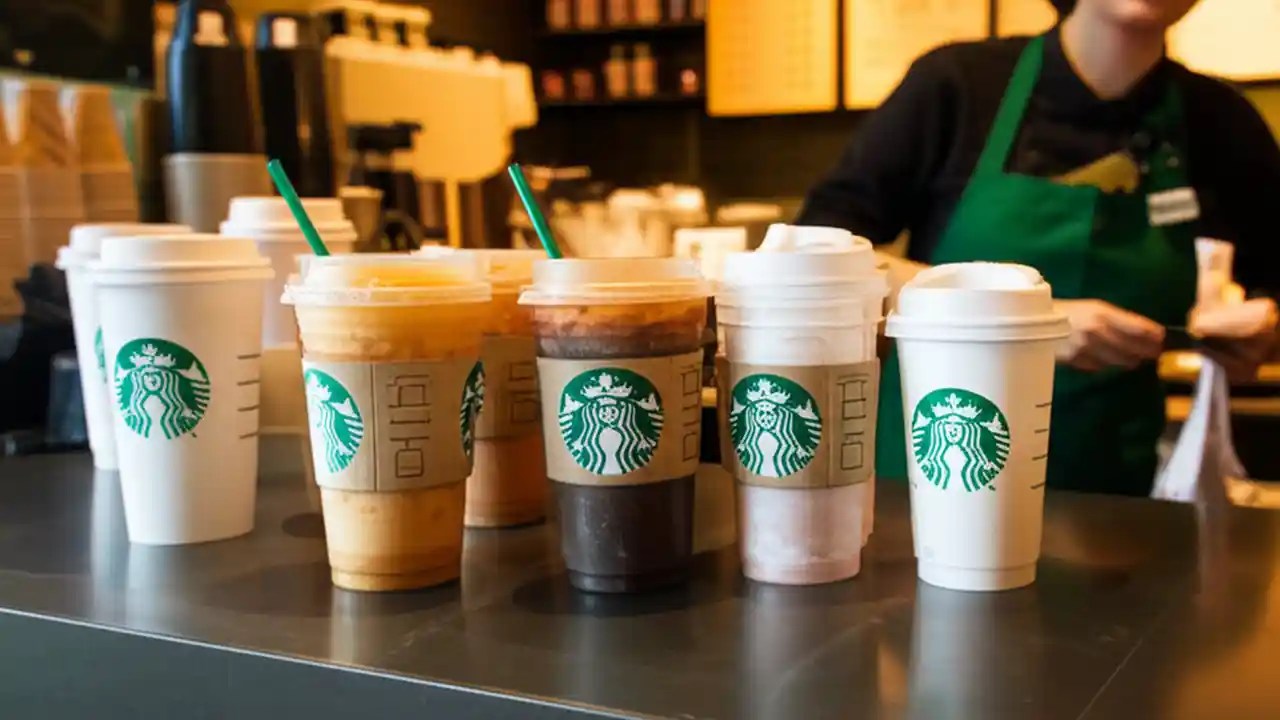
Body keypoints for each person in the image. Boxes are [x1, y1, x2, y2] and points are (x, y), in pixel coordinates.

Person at [798, 0, 1280, 495]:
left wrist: (1258, 331)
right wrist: (1024, 321)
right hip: (938, 483)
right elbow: (817, 258)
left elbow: (1271, 293)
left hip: (1117, 508)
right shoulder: (958, 85)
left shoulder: (1219, 122)